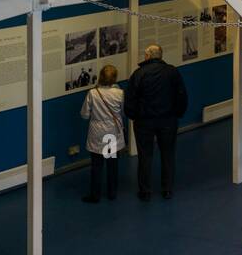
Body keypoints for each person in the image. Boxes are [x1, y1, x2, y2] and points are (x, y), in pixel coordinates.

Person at [124, 44, 188, 200]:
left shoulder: (139, 74)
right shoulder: (172, 72)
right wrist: (177, 113)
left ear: (147, 56)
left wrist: (133, 115)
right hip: (168, 120)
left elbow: (130, 98)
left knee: (144, 156)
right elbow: (181, 95)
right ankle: (167, 189)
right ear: (161, 55)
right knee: (168, 154)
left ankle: (145, 191)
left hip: (144, 121)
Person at [80, 65, 125, 203]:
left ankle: (95, 195)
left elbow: (85, 115)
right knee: (112, 164)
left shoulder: (93, 93)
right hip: (111, 133)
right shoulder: (120, 93)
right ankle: (112, 193)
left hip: (97, 133)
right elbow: (122, 112)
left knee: (97, 165)